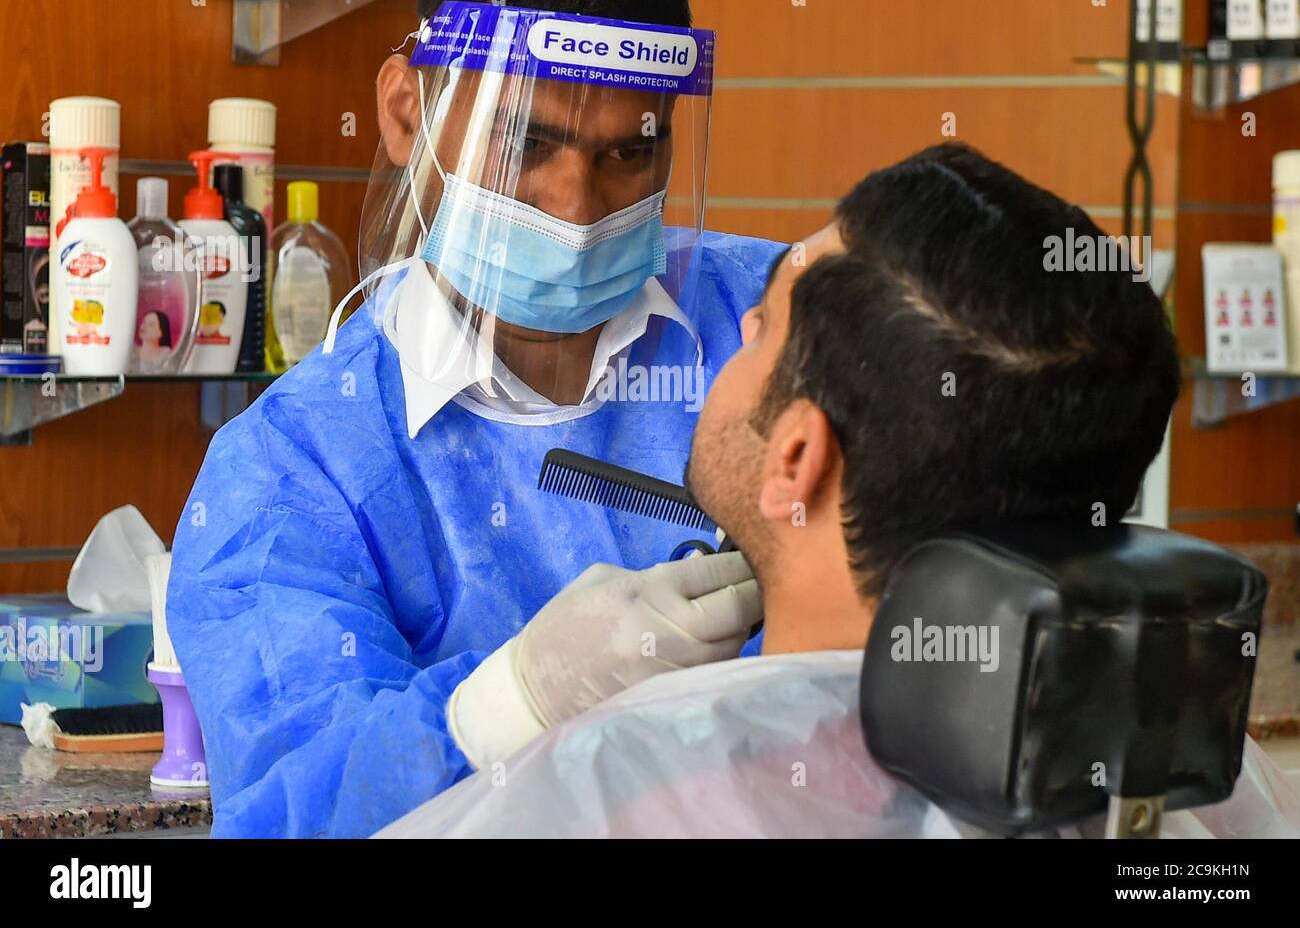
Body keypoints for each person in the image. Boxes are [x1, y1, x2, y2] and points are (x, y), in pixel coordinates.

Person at [378, 143, 1300, 838]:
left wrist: (503, 711)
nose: (739, 318)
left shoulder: (620, 788)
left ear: (797, 460)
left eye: (769, 315)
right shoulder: (1201, 800)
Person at [167, 0, 779, 838]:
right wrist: (512, 701)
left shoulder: (773, 320)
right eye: (527, 140)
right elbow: (299, 812)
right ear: (408, 110)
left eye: (629, 155)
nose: (576, 209)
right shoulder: (290, 477)